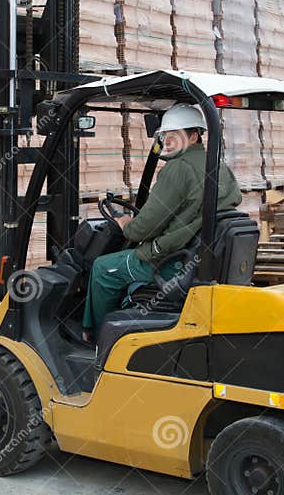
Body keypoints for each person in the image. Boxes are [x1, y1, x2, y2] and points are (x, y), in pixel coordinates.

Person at [82, 103, 242, 338]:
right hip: (197, 257)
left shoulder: (178, 169)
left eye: (173, 135)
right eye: (165, 135)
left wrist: (127, 225)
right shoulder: (218, 166)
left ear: (194, 135)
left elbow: (143, 228)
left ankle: (97, 338)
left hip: (170, 262)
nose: (166, 141)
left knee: (103, 268)